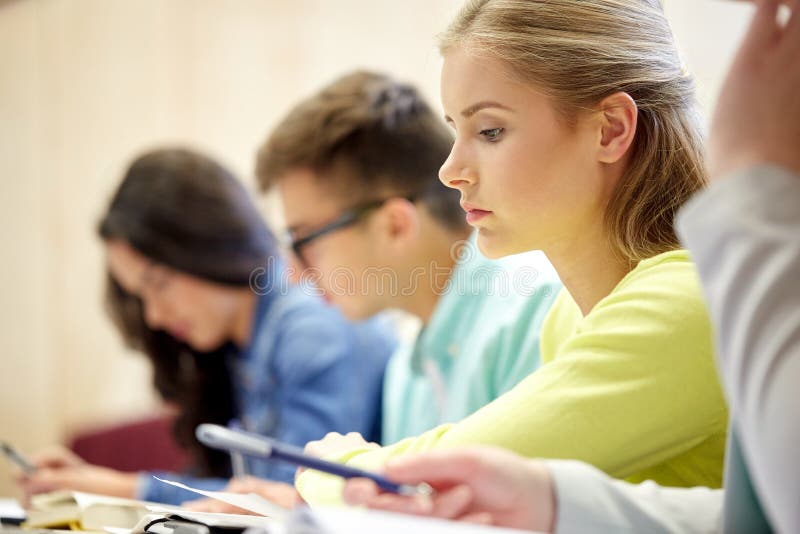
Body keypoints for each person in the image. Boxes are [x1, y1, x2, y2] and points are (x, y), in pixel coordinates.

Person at [342, 0, 800, 532]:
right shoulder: (566, 314)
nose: (451, 171)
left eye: (489, 131)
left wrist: (326, 461)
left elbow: (438, 476)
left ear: (610, 130)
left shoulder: (683, 300)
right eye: (455, 132)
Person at [185, 70, 561, 513]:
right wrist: (303, 512)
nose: (297, 275)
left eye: (305, 241)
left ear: (394, 225)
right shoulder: (406, 369)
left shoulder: (536, 312)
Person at [16, 148, 396, 505]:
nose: (154, 317)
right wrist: (97, 485)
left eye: (159, 284)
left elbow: (288, 497)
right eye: (140, 297)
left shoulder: (311, 325)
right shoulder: (237, 346)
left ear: (208, 246)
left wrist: (120, 489)